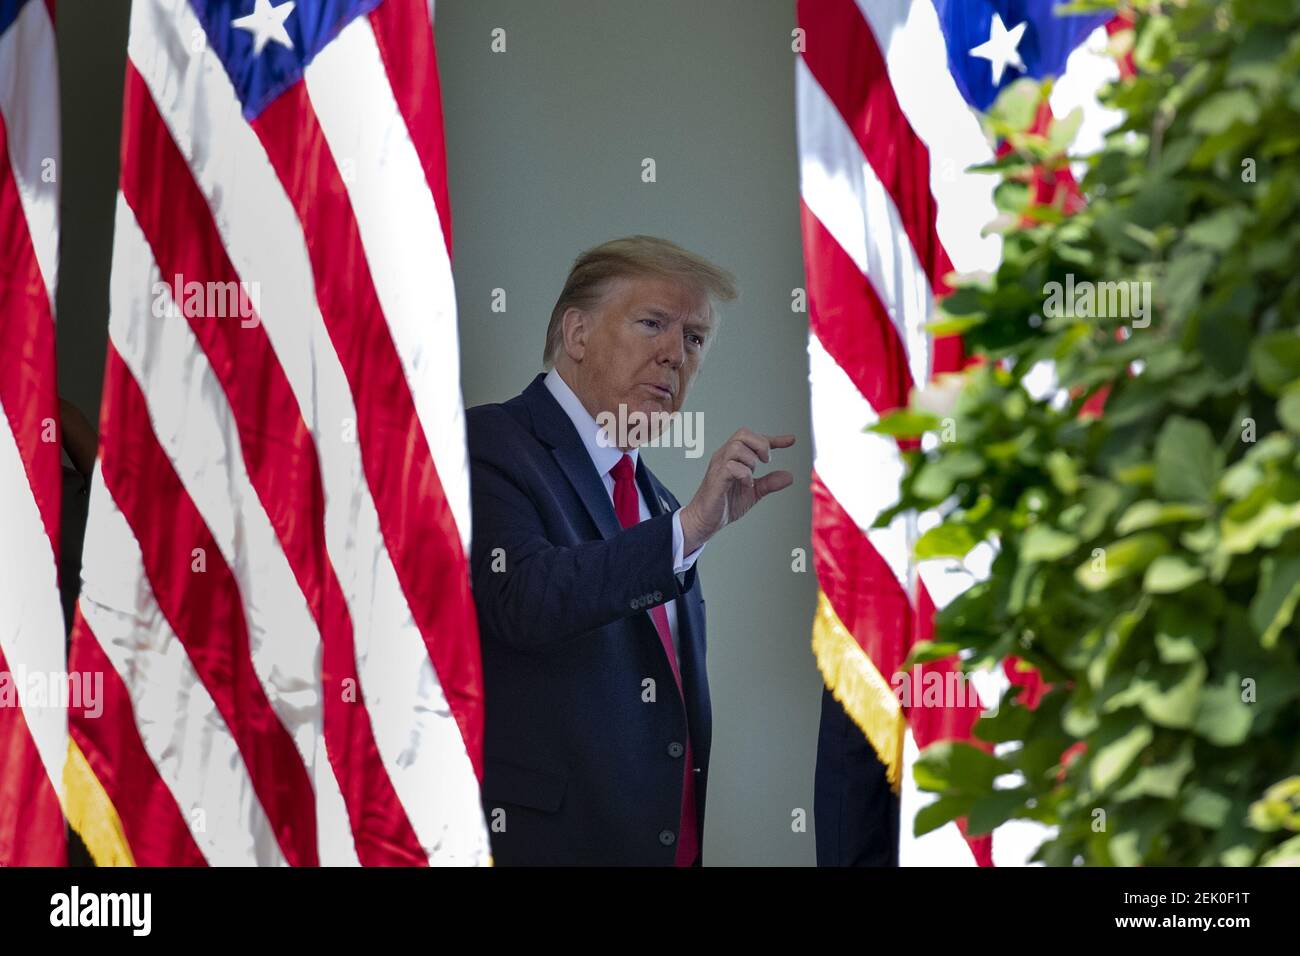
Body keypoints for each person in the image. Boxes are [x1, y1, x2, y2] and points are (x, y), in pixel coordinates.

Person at [466, 236, 794, 865]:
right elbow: (524, 598)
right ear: (578, 333)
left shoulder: (664, 503)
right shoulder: (491, 442)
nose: (675, 355)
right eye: (652, 324)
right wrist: (688, 533)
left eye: (694, 339)